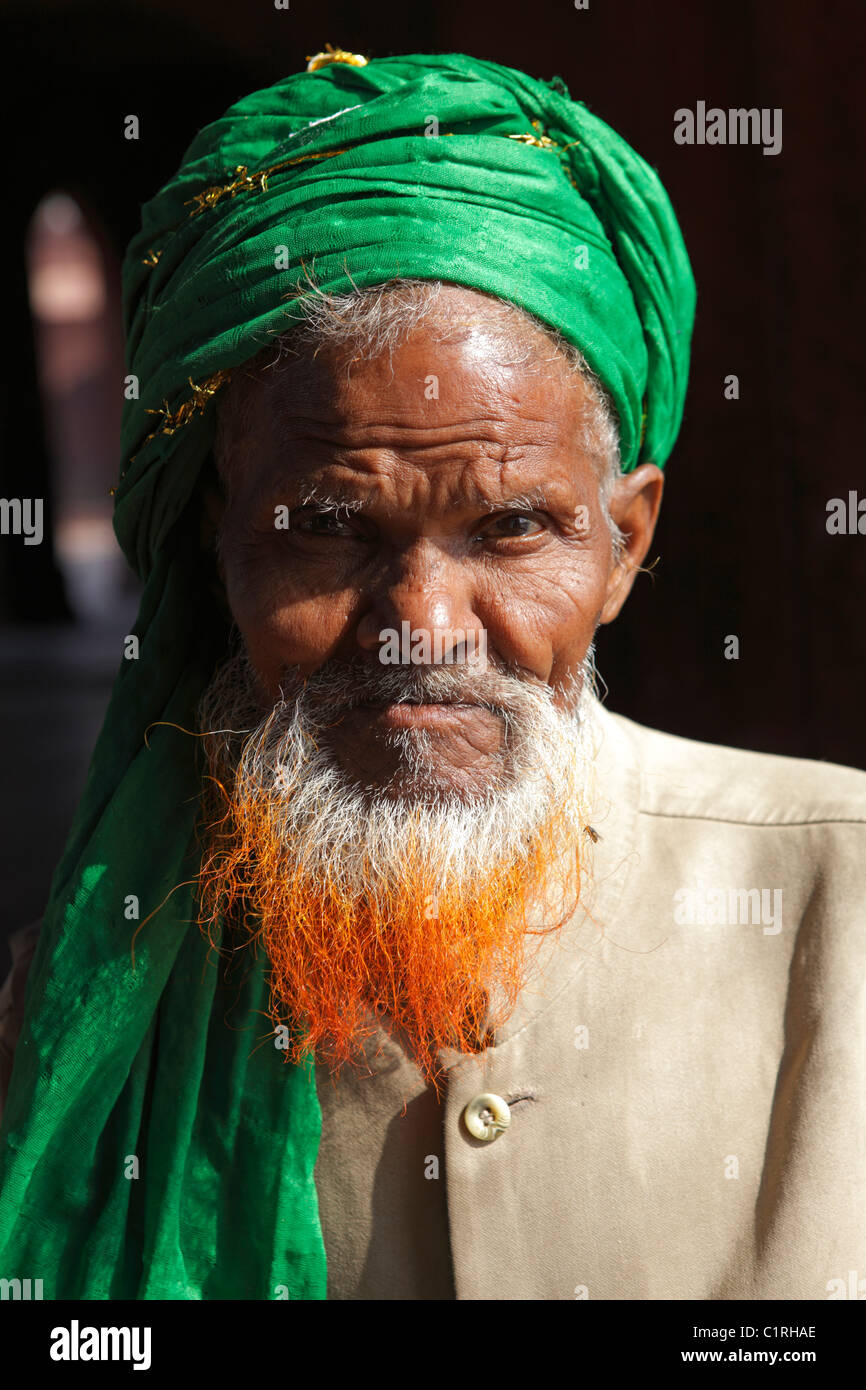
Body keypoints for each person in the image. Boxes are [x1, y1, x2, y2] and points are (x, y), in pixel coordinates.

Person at [1, 48, 864, 1302]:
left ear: (622, 544)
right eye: (326, 526)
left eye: (512, 529)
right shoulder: (70, 1018)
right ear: (212, 538)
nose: (420, 626)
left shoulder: (844, 904)